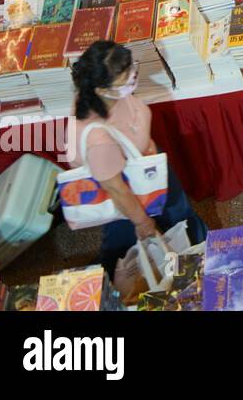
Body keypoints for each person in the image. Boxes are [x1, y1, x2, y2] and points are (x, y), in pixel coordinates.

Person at [67, 41, 207, 275]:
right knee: (133, 249)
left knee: (180, 216)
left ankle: (194, 253)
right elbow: (117, 189)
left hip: (147, 167)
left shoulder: (100, 93)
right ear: (102, 90)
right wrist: (143, 223)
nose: (133, 79)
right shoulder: (98, 140)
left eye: (133, 70)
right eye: (126, 80)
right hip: (128, 193)